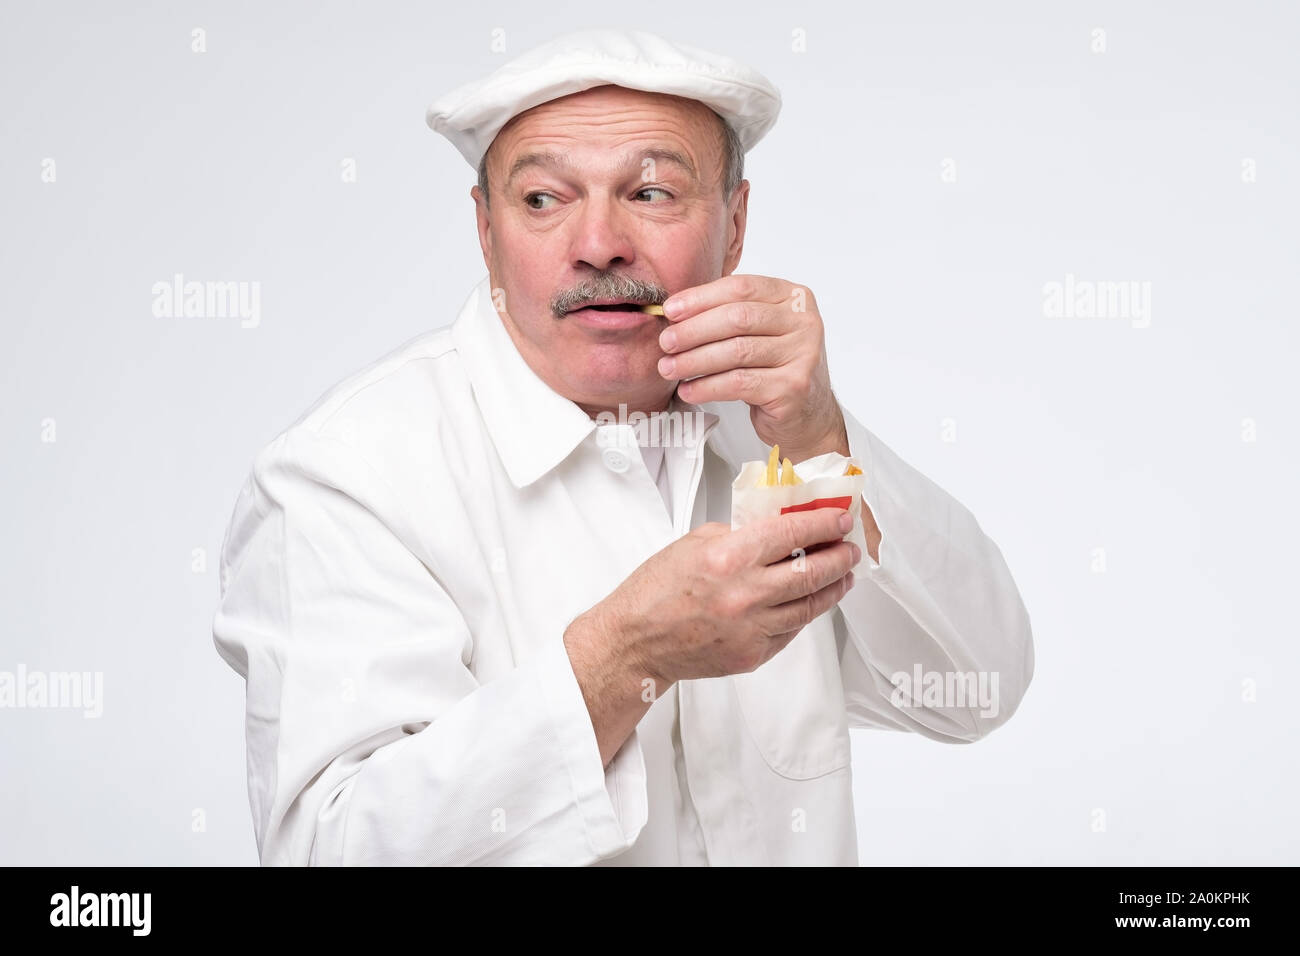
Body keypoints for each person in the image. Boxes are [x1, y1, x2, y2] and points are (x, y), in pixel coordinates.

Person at [212, 28, 1034, 866]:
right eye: (542, 200)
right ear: (486, 231)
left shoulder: (777, 436)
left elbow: (980, 693)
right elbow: (331, 848)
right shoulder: (343, 476)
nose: (598, 244)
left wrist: (827, 435)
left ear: (737, 224)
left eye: (650, 194)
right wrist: (623, 657)